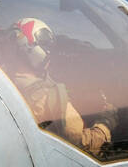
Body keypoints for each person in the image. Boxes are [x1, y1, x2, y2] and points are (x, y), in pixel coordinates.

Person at [8, 17, 114, 156]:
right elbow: (82, 145)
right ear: (29, 48)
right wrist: (106, 122)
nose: (50, 53)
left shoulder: (5, 77)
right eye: (46, 46)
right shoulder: (48, 98)